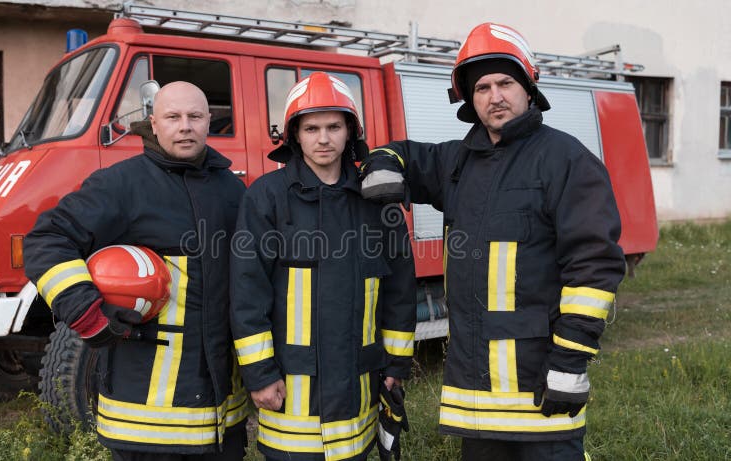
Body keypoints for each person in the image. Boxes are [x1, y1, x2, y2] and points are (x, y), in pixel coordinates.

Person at [359, 23, 626, 461]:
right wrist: (384, 162)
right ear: (469, 99)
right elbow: (403, 154)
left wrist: (570, 360)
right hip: (478, 399)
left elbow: (594, 266)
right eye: (482, 87)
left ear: (528, 87)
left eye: (505, 82)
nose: (494, 95)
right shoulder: (456, 161)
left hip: (542, 386)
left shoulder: (566, 159)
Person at [24, 81, 249, 460]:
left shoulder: (232, 190)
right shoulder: (120, 184)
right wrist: (84, 312)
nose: (185, 126)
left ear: (210, 121)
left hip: (220, 417)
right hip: (144, 420)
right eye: (172, 117)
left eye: (195, 116)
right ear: (153, 123)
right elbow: (47, 239)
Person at [229, 72, 416, 461]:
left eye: (334, 126)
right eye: (311, 128)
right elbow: (248, 292)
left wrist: (397, 363)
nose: (324, 138)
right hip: (294, 398)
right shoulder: (266, 197)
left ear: (351, 131)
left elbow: (399, 289)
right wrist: (260, 374)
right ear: (294, 135)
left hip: (358, 391)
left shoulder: (378, 200)